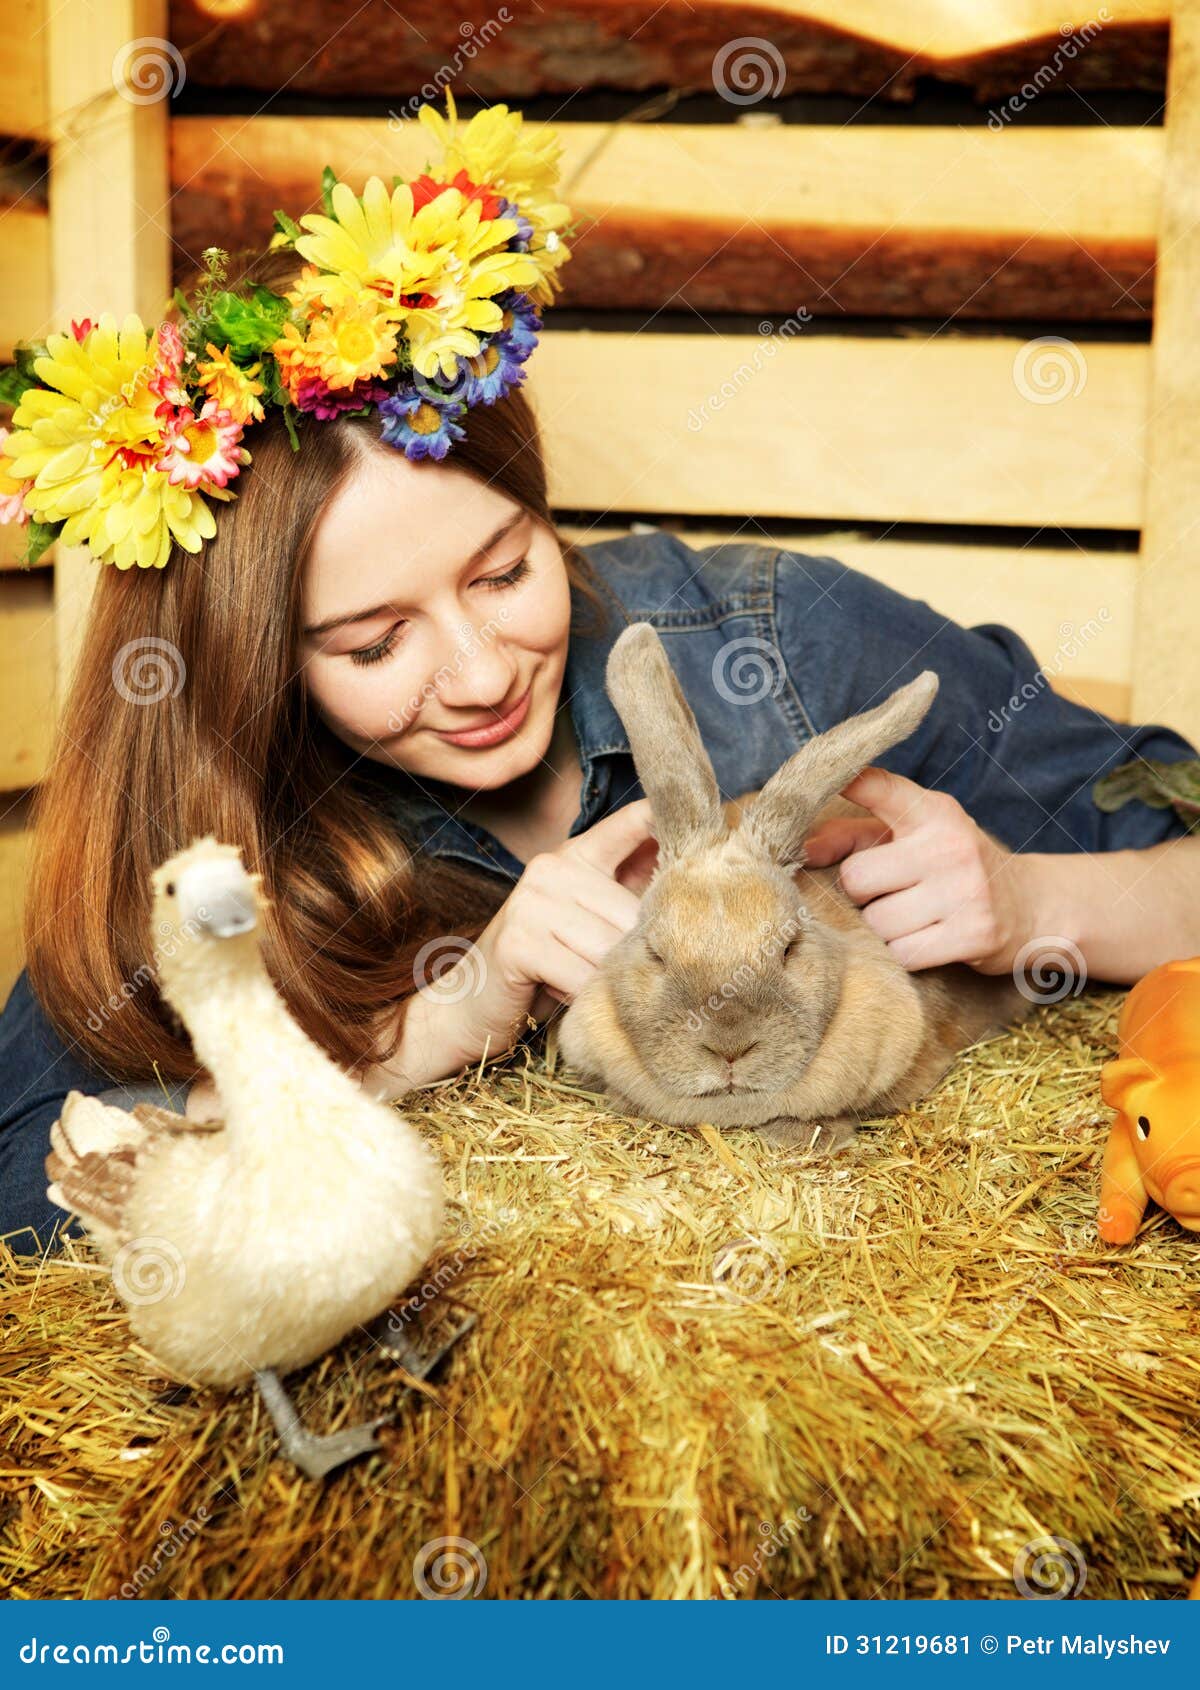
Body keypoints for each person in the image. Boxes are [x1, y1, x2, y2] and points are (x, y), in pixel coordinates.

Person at [3, 101, 1199, 1255]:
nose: (478, 676)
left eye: (505, 571)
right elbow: (23, 1190)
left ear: (541, 503)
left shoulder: (774, 642)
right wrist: (435, 1026)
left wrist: (1038, 904)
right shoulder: (218, 818)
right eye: (374, 644)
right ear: (249, 666)